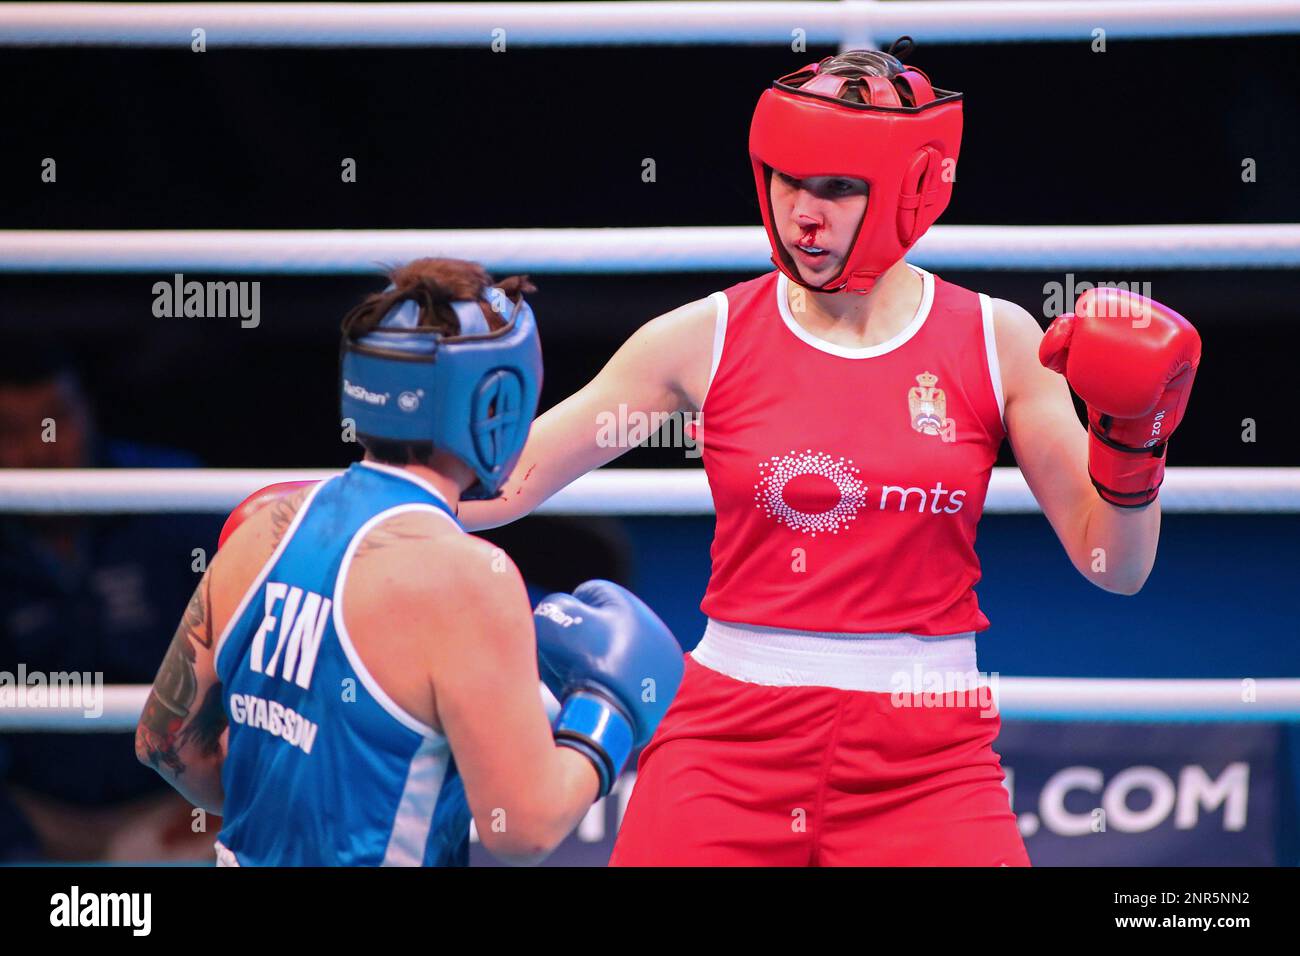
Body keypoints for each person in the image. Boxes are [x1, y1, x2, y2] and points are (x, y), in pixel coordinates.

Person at [457, 45, 1202, 865]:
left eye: (839, 188)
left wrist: (1133, 442)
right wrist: (350, 504)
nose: (802, 214)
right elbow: (513, 478)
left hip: (929, 754)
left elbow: (1114, 566)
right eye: (787, 181)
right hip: (727, 740)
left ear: (910, 191)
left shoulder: (998, 342)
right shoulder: (704, 337)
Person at [135, 258, 684, 865]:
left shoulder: (266, 525)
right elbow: (523, 829)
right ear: (500, 401)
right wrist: (608, 712)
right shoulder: (470, 580)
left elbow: (165, 744)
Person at [0, 345, 224, 862]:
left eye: (54, 420)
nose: (40, 449)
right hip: (29, 809)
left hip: (170, 804)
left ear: (88, 412)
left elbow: (254, 660)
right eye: (11, 432)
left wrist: (221, 790)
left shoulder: (171, 500)